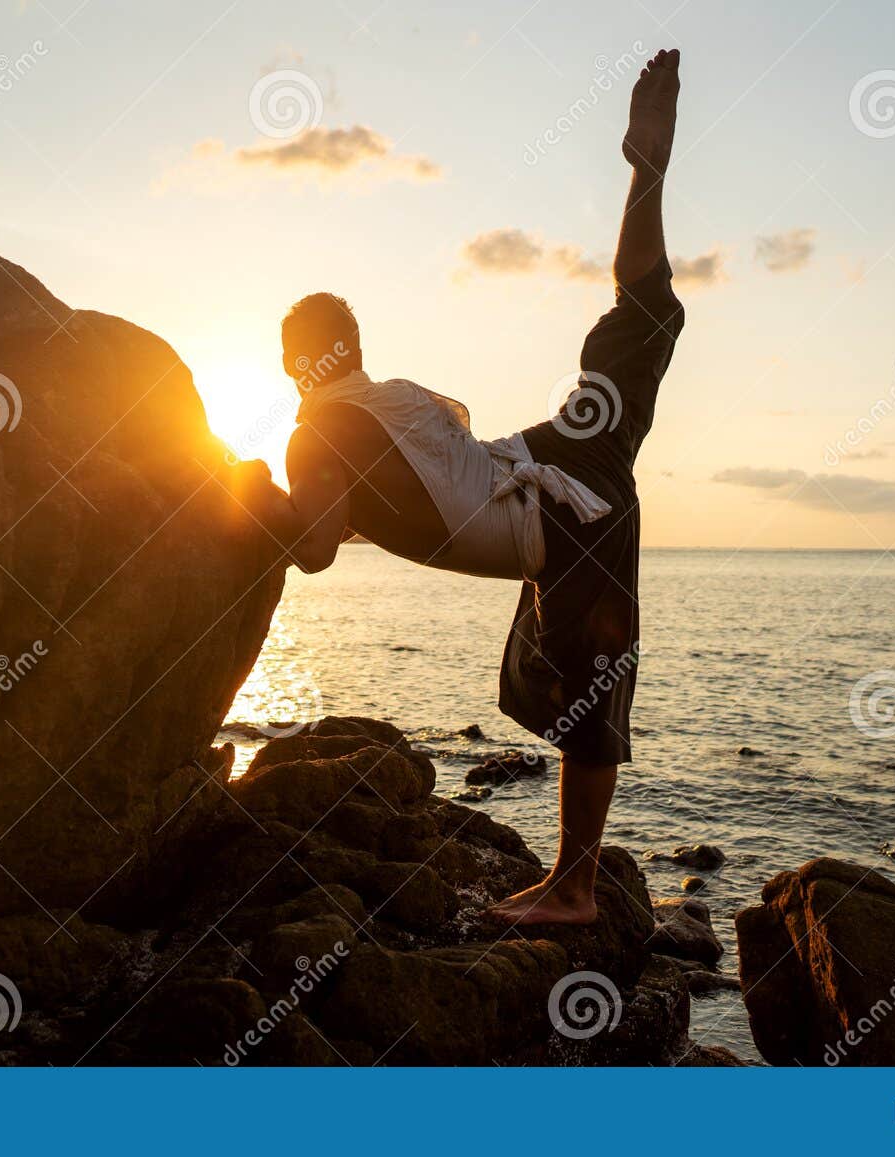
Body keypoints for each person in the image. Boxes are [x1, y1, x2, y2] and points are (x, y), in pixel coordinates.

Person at [245, 49, 684, 925]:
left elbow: (317, 545)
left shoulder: (314, 434)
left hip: (562, 504)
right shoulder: (383, 400)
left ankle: (574, 891)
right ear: (354, 348)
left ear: (295, 366)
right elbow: (421, 479)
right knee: (644, 313)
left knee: (590, 687)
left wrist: (247, 488)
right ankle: (645, 172)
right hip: (559, 457)